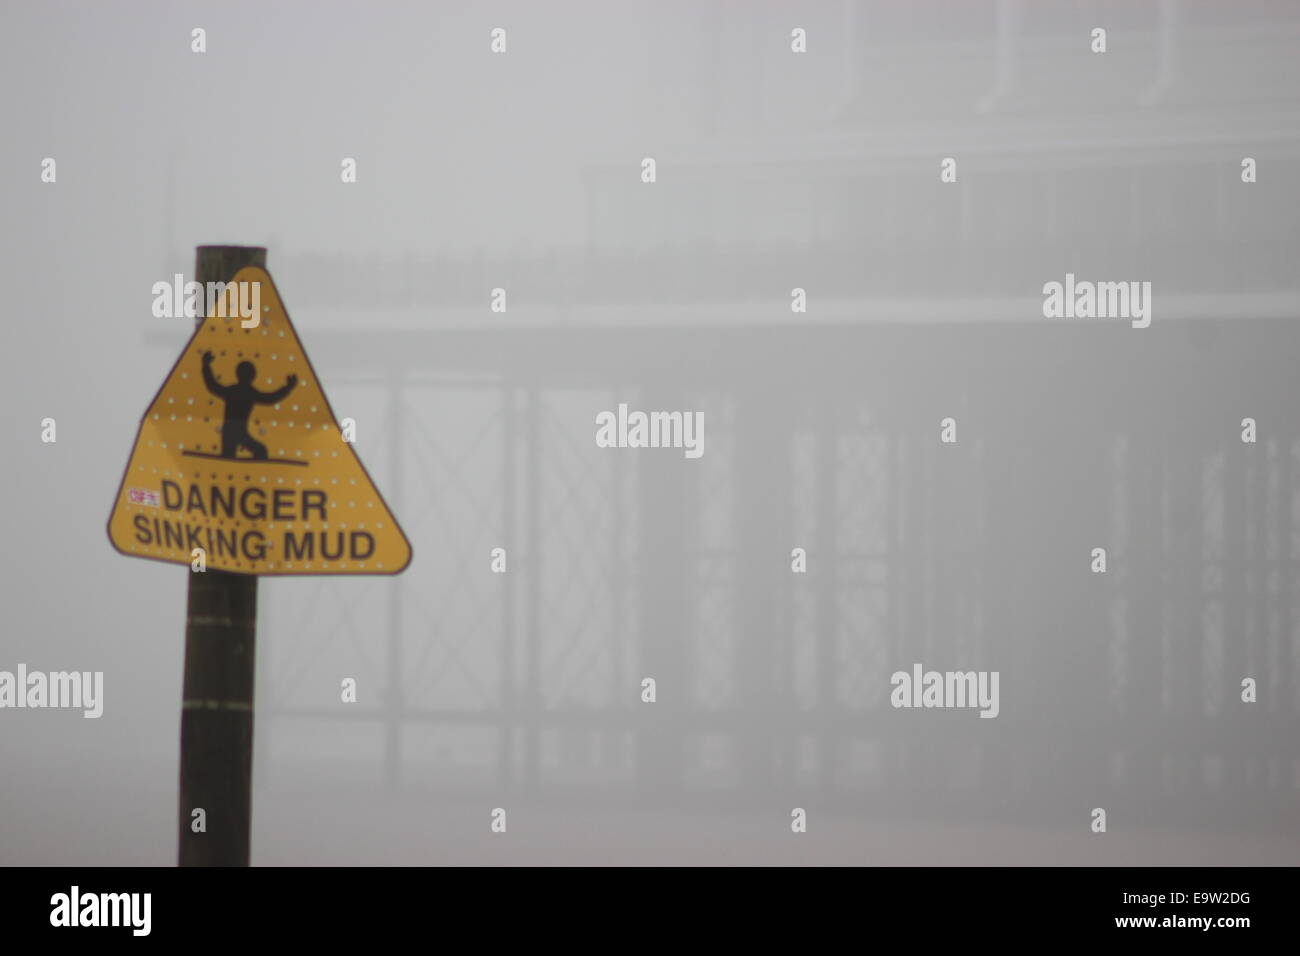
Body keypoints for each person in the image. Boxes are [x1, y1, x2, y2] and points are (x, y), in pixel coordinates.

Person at [200, 350, 297, 460]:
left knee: (229, 458)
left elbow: (212, 385)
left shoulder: (232, 391)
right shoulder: (250, 393)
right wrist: (288, 388)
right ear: (253, 376)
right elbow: (270, 398)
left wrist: (206, 365)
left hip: (230, 432)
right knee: (260, 450)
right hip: (239, 432)